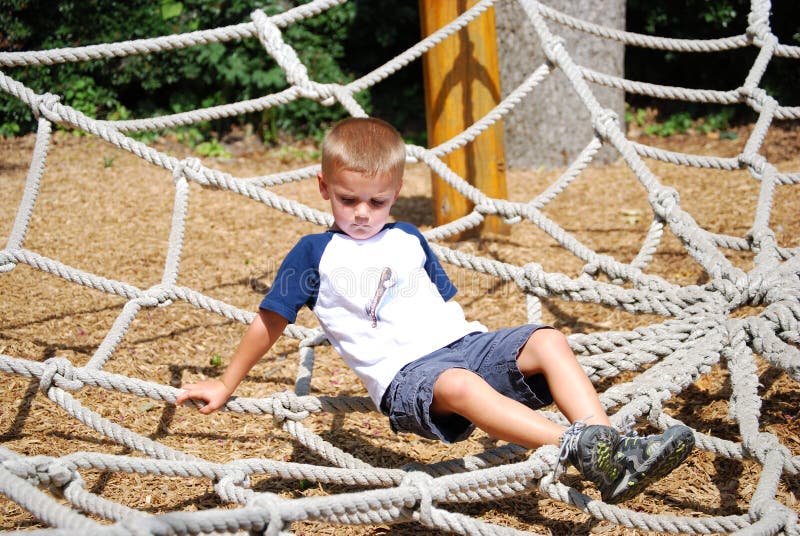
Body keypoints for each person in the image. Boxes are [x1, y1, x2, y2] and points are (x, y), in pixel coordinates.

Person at [177, 117, 694, 504]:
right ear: (323, 188)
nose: (362, 213)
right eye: (348, 199)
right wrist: (225, 385)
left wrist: (491, 350)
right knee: (460, 385)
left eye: (376, 202)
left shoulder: (408, 237)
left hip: (462, 344)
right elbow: (269, 320)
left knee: (549, 340)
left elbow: (446, 301)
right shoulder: (314, 253)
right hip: (408, 378)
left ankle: (615, 452)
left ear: (397, 193)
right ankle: (584, 448)